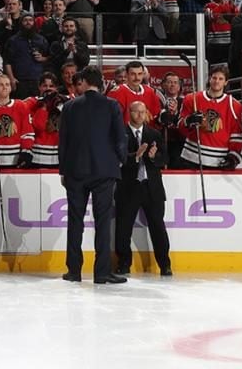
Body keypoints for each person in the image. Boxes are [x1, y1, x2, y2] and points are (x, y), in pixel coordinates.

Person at [58, 65, 128, 284]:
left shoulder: (69, 106)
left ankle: (74, 271)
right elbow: (120, 138)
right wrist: (120, 160)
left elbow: (63, 142)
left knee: (75, 221)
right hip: (104, 171)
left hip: (76, 171)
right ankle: (102, 272)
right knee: (103, 221)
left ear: (85, 82)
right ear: (101, 83)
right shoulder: (112, 105)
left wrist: (63, 170)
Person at [114, 101, 172, 277]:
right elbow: (117, 160)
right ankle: (124, 264)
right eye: (136, 112)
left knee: (158, 228)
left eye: (142, 112)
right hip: (128, 188)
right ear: (129, 113)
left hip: (152, 188)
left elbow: (165, 158)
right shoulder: (119, 134)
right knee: (123, 228)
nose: (139, 115)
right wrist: (135, 157)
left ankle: (165, 264)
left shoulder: (154, 134)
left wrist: (155, 157)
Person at [178, 65, 242, 169]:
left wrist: (233, 157)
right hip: (191, 158)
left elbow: (236, 135)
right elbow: (180, 126)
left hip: (218, 160)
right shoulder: (192, 99)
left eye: (221, 79)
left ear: (226, 82)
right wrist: (189, 120)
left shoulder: (234, 105)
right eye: (214, 78)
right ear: (209, 79)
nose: (217, 81)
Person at [23, 72, 68, 169]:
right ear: (39, 87)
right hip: (37, 157)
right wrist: (43, 106)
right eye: (45, 86)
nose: (48, 88)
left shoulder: (62, 103)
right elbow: (39, 127)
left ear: (56, 88)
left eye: (51, 86)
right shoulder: (32, 102)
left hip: (57, 157)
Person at [108, 61, 162, 126]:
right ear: (127, 75)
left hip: (146, 134)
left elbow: (156, 116)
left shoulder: (149, 92)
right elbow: (111, 119)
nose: (137, 78)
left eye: (139, 74)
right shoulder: (116, 92)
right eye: (133, 74)